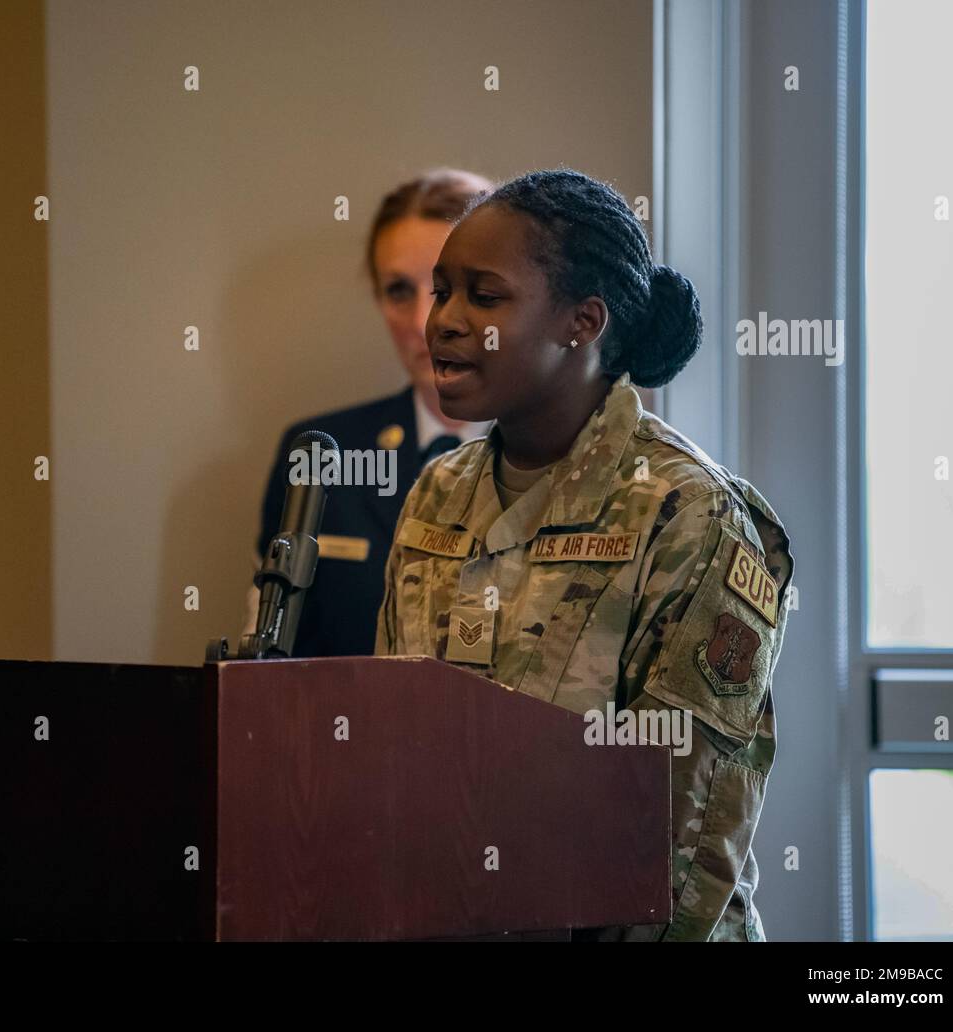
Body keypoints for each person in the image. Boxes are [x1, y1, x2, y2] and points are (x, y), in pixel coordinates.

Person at [374, 168, 795, 941]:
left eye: (485, 296)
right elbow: (394, 757)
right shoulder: (437, 493)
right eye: (443, 291)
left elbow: (685, 843)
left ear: (582, 321)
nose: (445, 322)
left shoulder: (689, 510)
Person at [252, 169, 494, 657]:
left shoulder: (561, 456)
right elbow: (267, 665)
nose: (426, 321)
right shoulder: (322, 453)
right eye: (400, 291)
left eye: (447, 287)